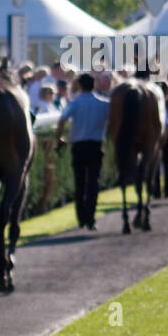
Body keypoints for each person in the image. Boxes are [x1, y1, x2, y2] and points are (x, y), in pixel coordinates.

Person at [55, 72, 109, 231]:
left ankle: (81, 218)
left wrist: (59, 138)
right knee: (93, 183)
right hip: (96, 145)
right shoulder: (104, 103)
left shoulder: (75, 102)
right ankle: (91, 218)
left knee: (80, 183)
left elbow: (62, 119)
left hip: (78, 146)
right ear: (94, 85)